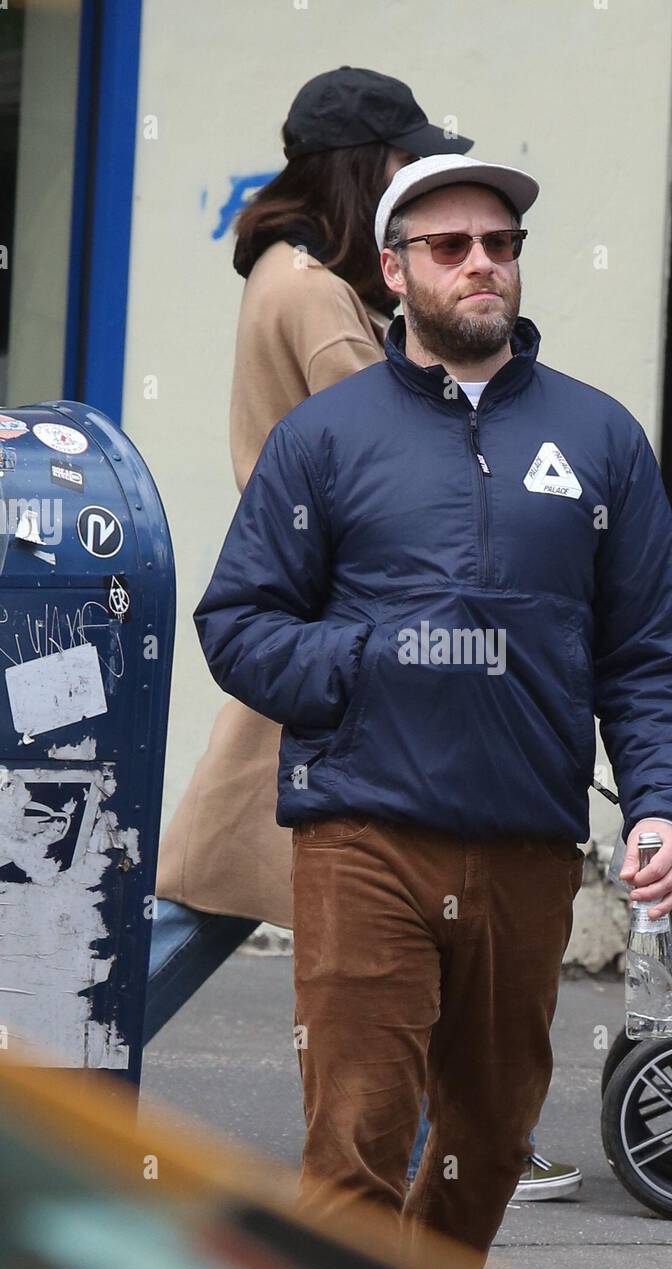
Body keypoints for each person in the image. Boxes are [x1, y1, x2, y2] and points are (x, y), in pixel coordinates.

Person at [192, 153, 672, 1269]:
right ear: (393, 269)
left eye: (501, 244)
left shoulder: (600, 438)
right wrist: (369, 659)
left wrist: (666, 805)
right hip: (365, 835)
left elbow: (652, 653)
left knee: (485, 1153)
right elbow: (236, 620)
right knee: (359, 1147)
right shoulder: (326, 438)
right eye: (450, 246)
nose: (483, 264)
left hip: (525, 845)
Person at [152, 68, 580, 1199]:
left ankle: (461, 1128)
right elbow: (404, 448)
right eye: (402, 164)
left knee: (232, 906)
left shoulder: (283, 277)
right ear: (363, 174)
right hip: (358, 647)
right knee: (260, 908)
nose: (416, 183)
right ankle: (464, 1131)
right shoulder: (317, 298)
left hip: (341, 639)